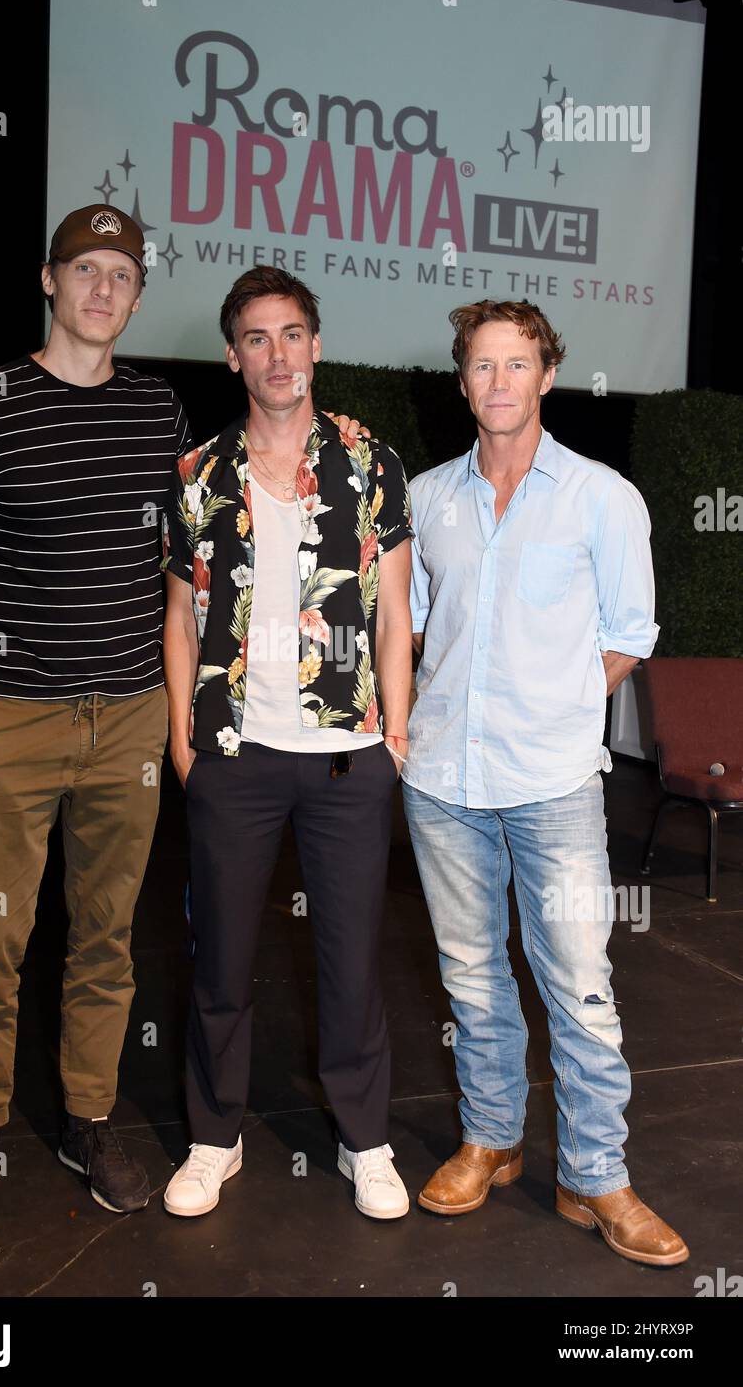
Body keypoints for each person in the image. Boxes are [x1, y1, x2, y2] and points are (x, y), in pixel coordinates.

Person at [0, 205, 185, 1235]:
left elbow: (173, 577)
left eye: (121, 272)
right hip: (11, 723)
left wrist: (165, 708)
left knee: (106, 940)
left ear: (136, 292)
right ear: (48, 278)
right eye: (86, 268)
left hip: (126, 721)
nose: (102, 288)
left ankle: (87, 1115)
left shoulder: (158, 410)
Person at [401, 299, 688, 1266]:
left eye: (517, 364)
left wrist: (558, 705)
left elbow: (631, 632)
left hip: (556, 779)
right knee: (472, 977)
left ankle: (596, 1174)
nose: (500, 383)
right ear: (463, 380)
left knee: (579, 982)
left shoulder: (602, 497)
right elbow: (418, 626)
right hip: (442, 777)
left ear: (548, 375)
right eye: (482, 366)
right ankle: (492, 1140)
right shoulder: (429, 498)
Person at [161, 267, 413, 1220]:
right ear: (234, 355)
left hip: (350, 758)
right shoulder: (196, 474)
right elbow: (179, 616)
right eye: (257, 338)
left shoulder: (371, 464)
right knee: (221, 957)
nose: (278, 353)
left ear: (315, 344)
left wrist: (394, 726)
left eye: (293, 333)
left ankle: (366, 1140)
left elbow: (395, 613)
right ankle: (214, 1137)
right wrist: (184, 739)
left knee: (351, 957)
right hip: (232, 753)